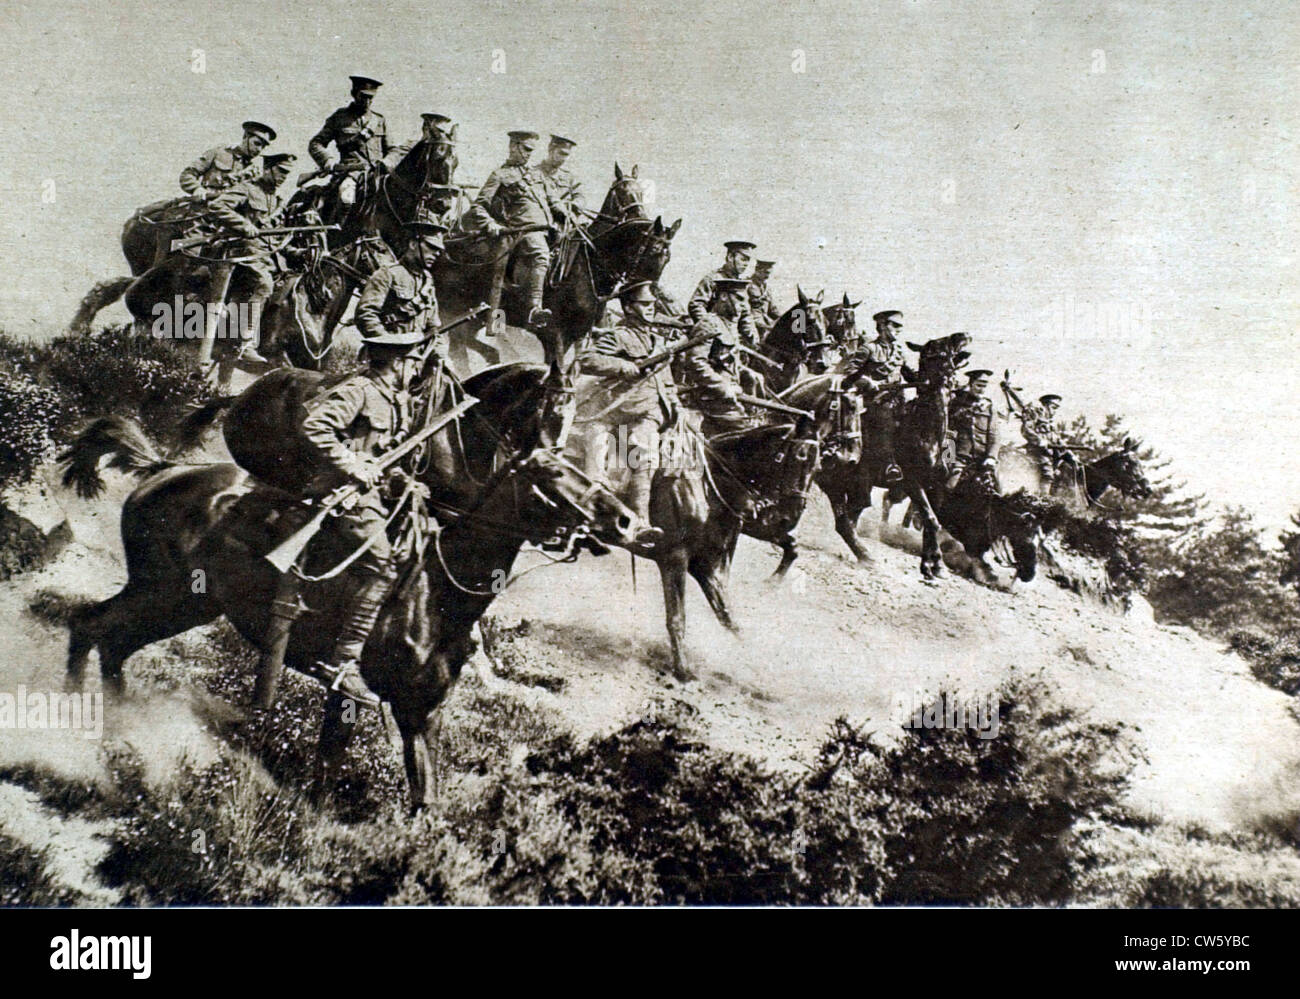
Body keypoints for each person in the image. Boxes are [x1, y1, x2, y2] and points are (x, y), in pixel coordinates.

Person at [293, 217, 448, 709]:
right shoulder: (362, 388)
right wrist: (354, 466)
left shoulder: (398, 398)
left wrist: (404, 478)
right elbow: (315, 427)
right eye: (406, 361)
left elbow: (388, 450)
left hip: (371, 490)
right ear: (392, 360)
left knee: (413, 545)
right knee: (383, 563)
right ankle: (342, 660)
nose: (412, 367)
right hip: (340, 489)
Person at [574, 280, 672, 548]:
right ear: (629, 308)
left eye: (653, 304)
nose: (651, 309)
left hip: (648, 412)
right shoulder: (617, 336)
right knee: (596, 449)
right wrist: (622, 366)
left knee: (645, 448)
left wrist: (673, 407)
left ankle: (642, 522)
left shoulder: (658, 340)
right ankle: (589, 516)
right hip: (613, 410)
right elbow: (587, 360)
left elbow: (666, 381)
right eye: (644, 304)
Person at [205, 152, 297, 362]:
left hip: (266, 257)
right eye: (281, 171)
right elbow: (216, 206)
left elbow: (277, 236)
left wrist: (292, 251)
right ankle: (245, 343)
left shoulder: (278, 200)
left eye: (287, 174)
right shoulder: (247, 188)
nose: (284, 177)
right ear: (268, 168)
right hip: (241, 251)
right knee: (263, 284)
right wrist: (243, 224)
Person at [464, 130, 557, 327]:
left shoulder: (537, 174)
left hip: (548, 229)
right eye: (525, 149)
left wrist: (571, 214)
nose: (528, 154)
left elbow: (553, 201)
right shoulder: (499, 175)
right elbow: (478, 206)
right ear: (513, 146)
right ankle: (535, 308)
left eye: (531, 151)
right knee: (541, 255)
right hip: (523, 231)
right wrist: (490, 223)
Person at [843, 309, 915, 483]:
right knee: (885, 422)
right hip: (874, 402)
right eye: (895, 325)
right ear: (882, 326)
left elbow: (911, 375)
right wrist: (868, 382)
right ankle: (890, 465)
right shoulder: (868, 349)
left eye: (901, 326)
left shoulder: (900, 351)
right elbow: (849, 372)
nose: (899, 330)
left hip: (898, 402)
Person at [676, 277, 753, 436]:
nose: (743, 305)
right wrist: (723, 387)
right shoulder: (708, 323)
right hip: (711, 398)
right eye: (739, 299)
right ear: (724, 296)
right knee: (747, 435)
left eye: (745, 300)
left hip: (729, 396)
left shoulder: (729, 325)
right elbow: (695, 363)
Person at [307, 75, 390, 220]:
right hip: (352, 173)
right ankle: (338, 231)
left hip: (377, 175)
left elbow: (392, 149)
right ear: (354, 93)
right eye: (363, 96)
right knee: (346, 197)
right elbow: (315, 143)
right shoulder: (340, 118)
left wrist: (387, 163)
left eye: (371, 98)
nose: (367, 101)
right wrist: (328, 161)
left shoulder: (379, 120)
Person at [382, 113, 460, 220]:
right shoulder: (414, 144)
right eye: (431, 127)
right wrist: (386, 162)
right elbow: (397, 153)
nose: (436, 133)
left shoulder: (446, 150)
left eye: (441, 131)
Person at [179, 120, 276, 198]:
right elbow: (187, 174)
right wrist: (196, 189)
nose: (259, 149)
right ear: (245, 137)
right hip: (208, 206)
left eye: (263, 147)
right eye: (257, 143)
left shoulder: (254, 171)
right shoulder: (219, 153)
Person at [688, 241, 758, 346]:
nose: (746, 264)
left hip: (732, 338)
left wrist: (754, 337)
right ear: (730, 257)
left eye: (748, 261)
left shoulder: (741, 285)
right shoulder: (713, 278)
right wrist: (710, 328)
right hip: (710, 338)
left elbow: (745, 314)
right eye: (743, 259)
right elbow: (696, 305)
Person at [947, 369, 1002, 491]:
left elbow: (994, 435)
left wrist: (991, 457)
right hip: (960, 457)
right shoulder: (956, 404)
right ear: (970, 384)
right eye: (978, 385)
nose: (981, 389)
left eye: (984, 386)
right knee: (949, 486)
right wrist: (949, 458)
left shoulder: (989, 407)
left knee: (997, 491)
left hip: (983, 458)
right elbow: (948, 432)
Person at [1020, 392, 1077, 487]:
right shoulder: (1034, 415)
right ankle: (1042, 500)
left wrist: (1071, 455)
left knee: (1064, 473)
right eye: (1053, 407)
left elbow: (1057, 439)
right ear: (1046, 405)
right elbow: (1026, 430)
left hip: (1050, 454)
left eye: (1056, 409)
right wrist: (1039, 441)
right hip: (1036, 452)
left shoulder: (1050, 422)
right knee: (1047, 473)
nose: (1054, 411)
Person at [535, 134, 584, 224]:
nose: (563, 159)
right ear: (550, 150)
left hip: (566, 222)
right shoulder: (535, 173)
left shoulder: (569, 177)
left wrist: (573, 205)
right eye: (561, 153)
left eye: (566, 155)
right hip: (542, 223)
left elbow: (580, 197)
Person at [747, 259, 782, 336]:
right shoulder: (747, 285)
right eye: (765, 273)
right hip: (752, 325)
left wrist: (783, 319)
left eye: (769, 273)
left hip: (766, 324)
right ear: (757, 270)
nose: (767, 276)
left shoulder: (766, 288)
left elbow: (772, 309)